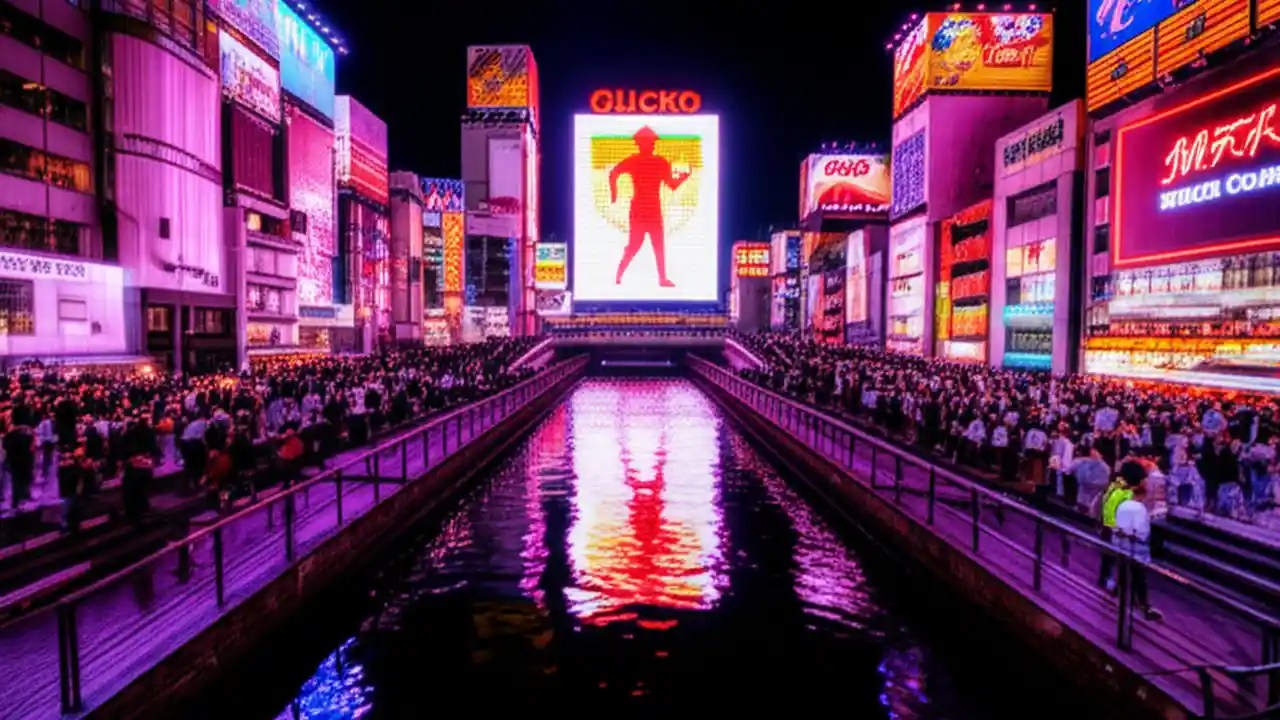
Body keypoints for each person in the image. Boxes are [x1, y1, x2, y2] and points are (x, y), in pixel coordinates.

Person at [608, 125, 690, 287]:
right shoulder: (649, 161)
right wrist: (613, 194)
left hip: (648, 209)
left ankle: (661, 278)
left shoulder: (656, 162)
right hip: (643, 210)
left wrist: (683, 177)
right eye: (650, 143)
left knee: (654, 245)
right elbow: (672, 184)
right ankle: (620, 274)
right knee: (636, 245)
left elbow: (614, 173)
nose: (651, 146)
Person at [1114, 482, 1162, 620]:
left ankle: (1120, 595)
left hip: (1121, 545)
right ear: (1141, 495)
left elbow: (1118, 526)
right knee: (1139, 576)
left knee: (1124, 572)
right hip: (1136, 548)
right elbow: (1141, 530)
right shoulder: (1139, 508)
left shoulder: (1122, 505)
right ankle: (1142, 603)